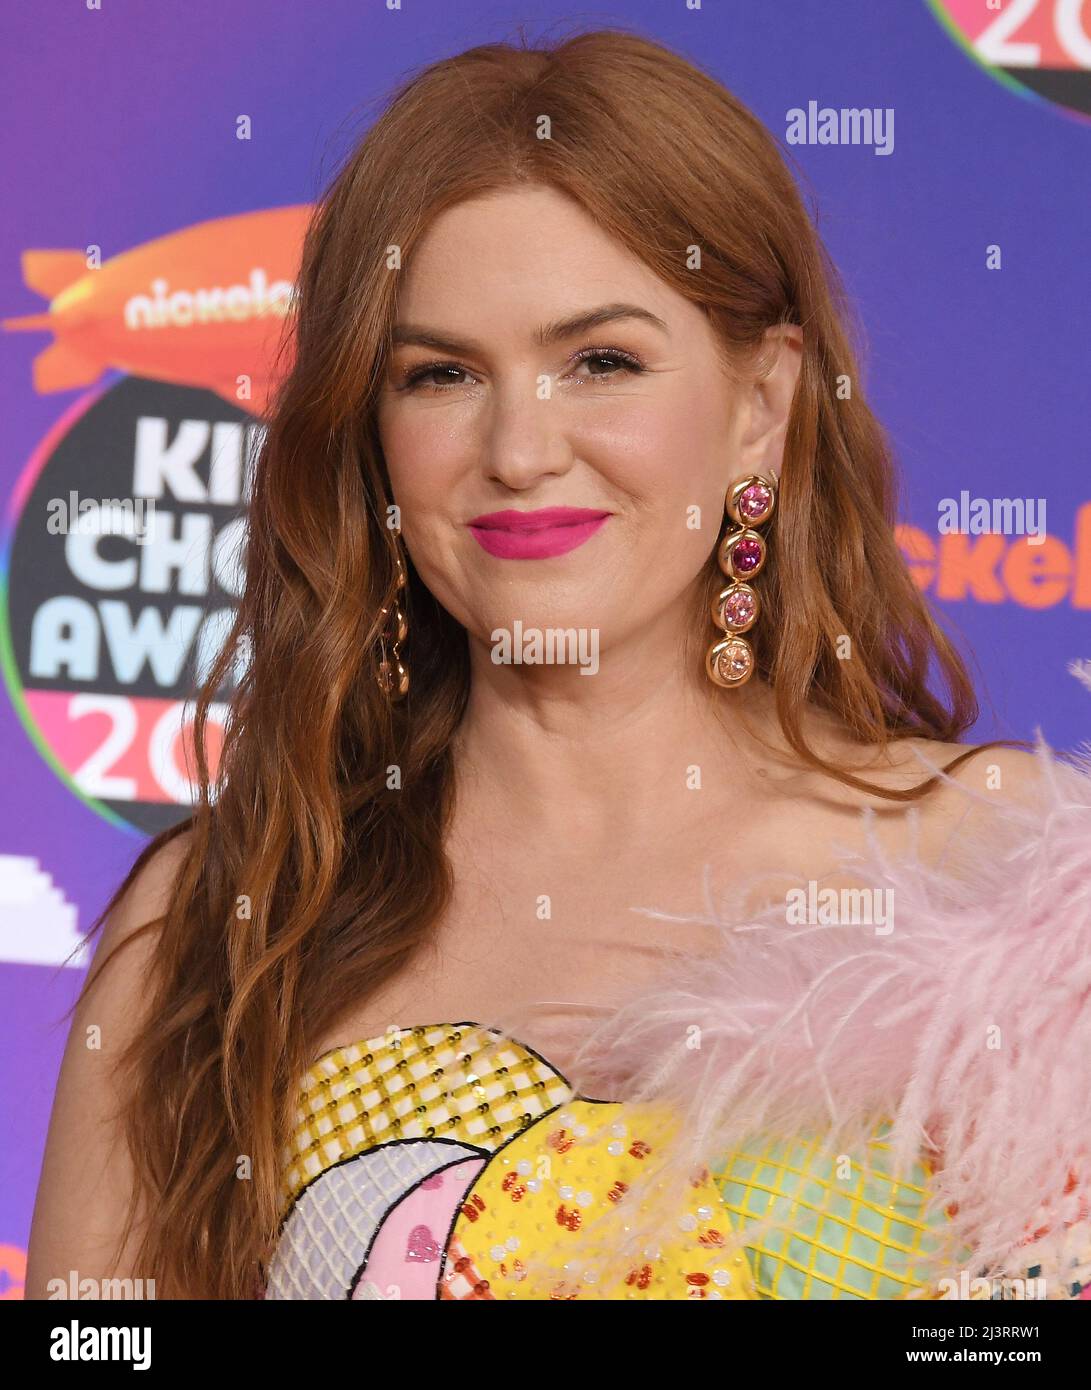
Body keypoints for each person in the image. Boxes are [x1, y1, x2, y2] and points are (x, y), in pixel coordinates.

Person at [26, 28, 1091, 1302]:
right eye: (440, 375)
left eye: (600, 362)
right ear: (370, 436)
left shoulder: (1012, 879)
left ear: (761, 403)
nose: (520, 449)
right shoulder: (219, 919)